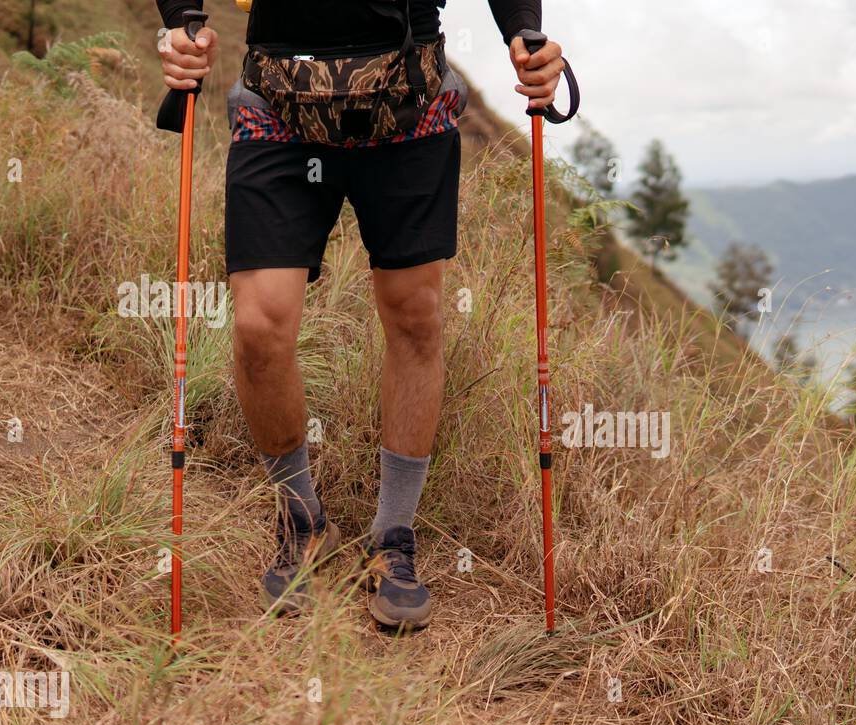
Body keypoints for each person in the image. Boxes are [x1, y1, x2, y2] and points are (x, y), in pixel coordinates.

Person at [154, 1, 566, 629]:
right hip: (279, 105)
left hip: (409, 103)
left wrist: (524, 33)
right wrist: (180, 19)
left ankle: (392, 538)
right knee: (259, 325)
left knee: (415, 314)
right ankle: (300, 519)